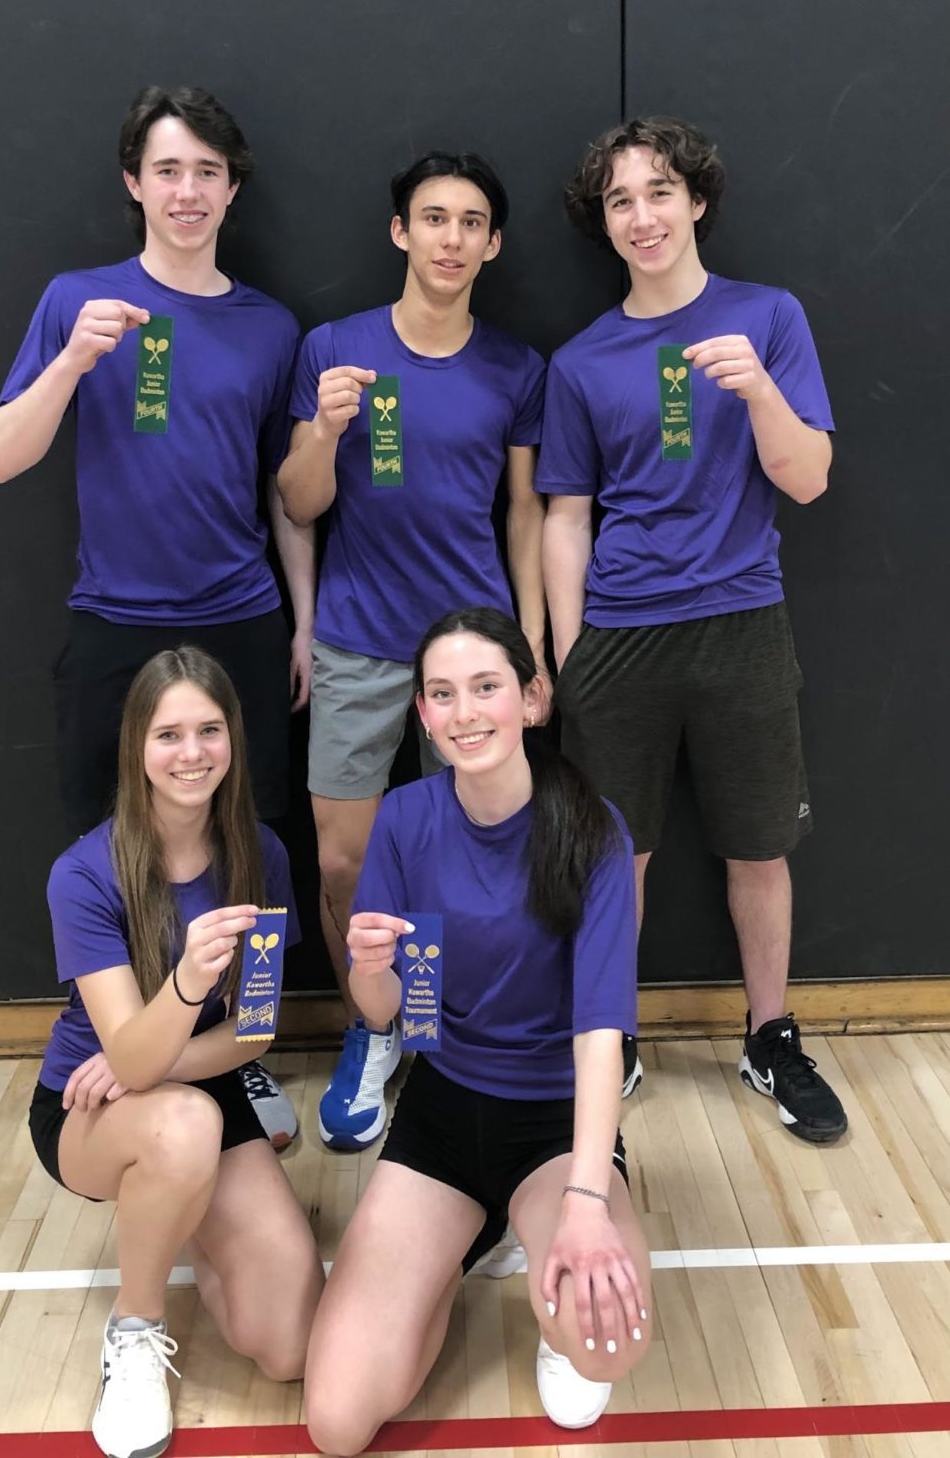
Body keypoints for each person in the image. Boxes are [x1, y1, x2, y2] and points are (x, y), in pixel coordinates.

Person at [0, 85, 312, 1142]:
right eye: (167, 170)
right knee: (110, 847)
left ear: (230, 189)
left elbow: (283, 494)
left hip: (241, 621)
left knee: (247, 845)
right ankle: (112, 1053)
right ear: (134, 182)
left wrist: (301, 622)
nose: (187, 191)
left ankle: (238, 1054)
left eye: (207, 172)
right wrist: (76, 356)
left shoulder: (269, 327)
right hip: (115, 624)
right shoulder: (77, 300)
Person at [538, 116, 846, 1141]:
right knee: (611, 854)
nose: (642, 215)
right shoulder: (581, 360)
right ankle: (607, 1037)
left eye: (658, 191)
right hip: (620, 636)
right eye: (620, 200)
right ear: (605, 223)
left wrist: (756, 389)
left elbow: (805, 479)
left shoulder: (766, 318)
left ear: (696, 201)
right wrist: (570, 656)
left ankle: (770, 1038)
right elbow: (565, 515)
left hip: (740, 623)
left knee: (758, 847)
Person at [302, 608, 650, 1452]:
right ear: (421, 713)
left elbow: (601, 1032)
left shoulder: (593, 829)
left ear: (530, 699)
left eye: (486, 687)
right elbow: (391, 1015)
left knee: (605, 1349)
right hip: (445, 1112)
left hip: (554, 1130)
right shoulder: (407, 818)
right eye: (443, 693)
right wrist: (371, 964)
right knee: (338, 1423)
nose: (465, 712)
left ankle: (531, 1243)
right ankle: (466, 1242)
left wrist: (584, 1201)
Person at [277, 153, 548, 1150]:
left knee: (467, 861)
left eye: (469, 222)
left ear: (492, 244)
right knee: (345, 859)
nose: (448, 238)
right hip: (355, 643)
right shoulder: (333, 348)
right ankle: (372, 1028)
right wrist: (321, 431)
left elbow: (524, 513)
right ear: (400, 233)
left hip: (471, 656)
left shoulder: (517, 368)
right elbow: (300, 502)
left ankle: (437, 1037)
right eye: (431, 218)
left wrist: (529, 653)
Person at [27, 646, 323, 1458]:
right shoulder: (83, 874)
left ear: (232, 741)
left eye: (209, 730)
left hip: (181, 1082)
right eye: (168, 735)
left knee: (291, 1346)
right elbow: (120, 1060)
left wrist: (149, 1068)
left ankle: (181, 1204)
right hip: (86, 1110)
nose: (190, 753)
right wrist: (189, 983)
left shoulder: (259, 854)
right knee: (182, 1130)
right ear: (137, 749)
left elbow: (255, 1031)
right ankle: (133, 1332)